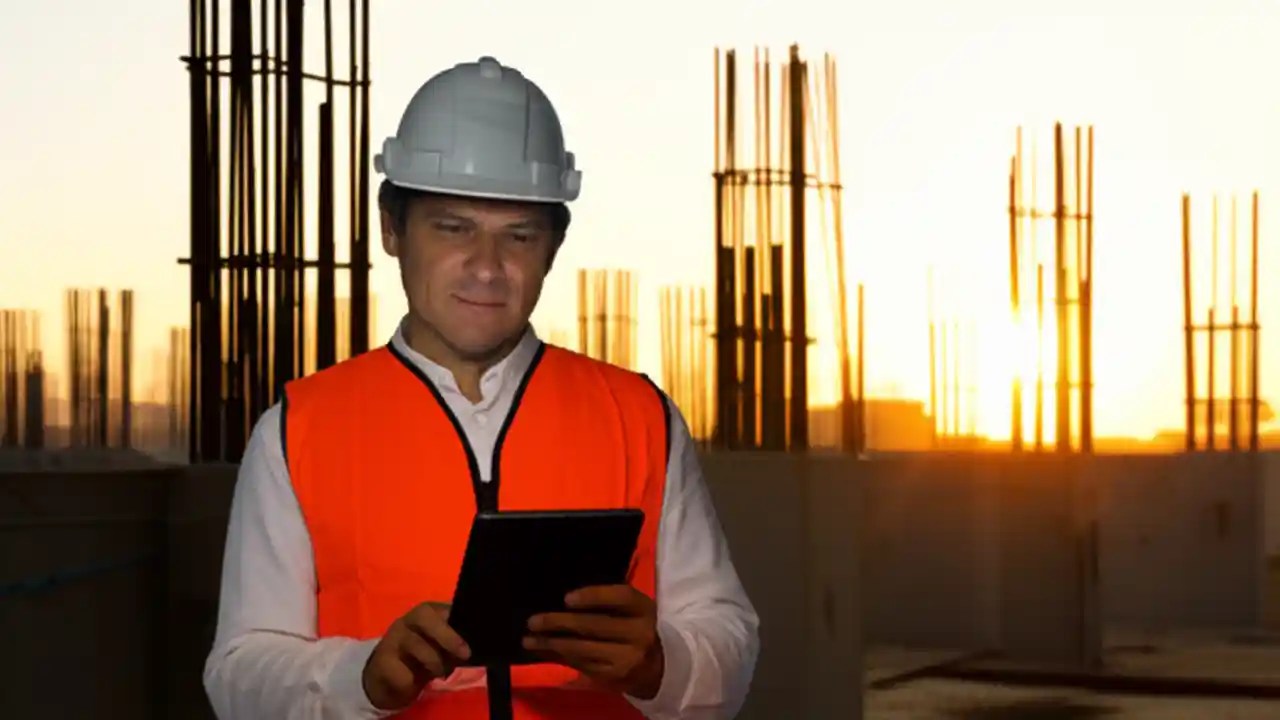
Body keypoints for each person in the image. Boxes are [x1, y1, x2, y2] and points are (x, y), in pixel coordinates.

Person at [203, 55, 760, 719]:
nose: (488, 268)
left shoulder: (637, 418)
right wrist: (361, 676)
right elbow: (238, 677)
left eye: (517, 235)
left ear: (553, 246)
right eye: (452, 227)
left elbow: (730, 638)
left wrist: (661, 663)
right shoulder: (300, 431)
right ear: (392, 229)